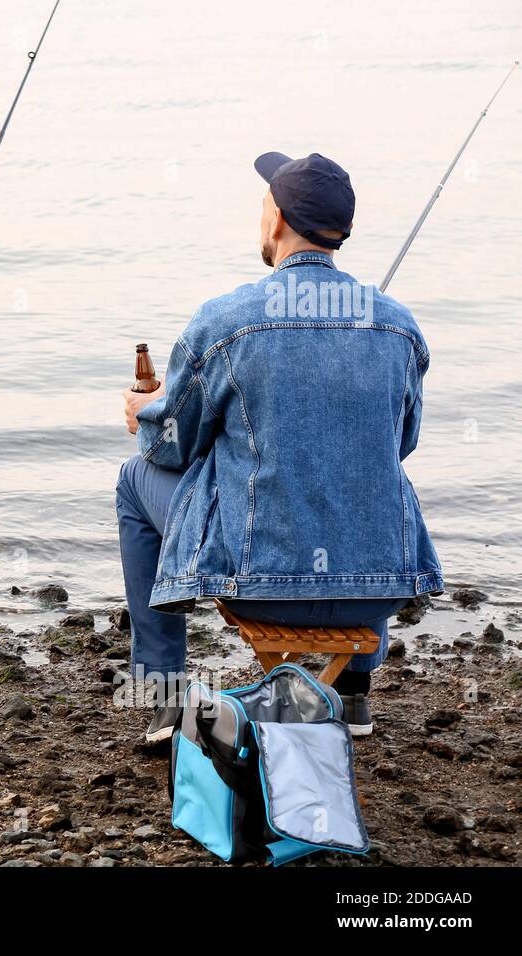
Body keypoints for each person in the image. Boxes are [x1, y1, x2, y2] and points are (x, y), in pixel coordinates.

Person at [116, 150, 442, 739]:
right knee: (368, 469)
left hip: (261, 587)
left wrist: (146, 413)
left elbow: (171, 447)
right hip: (373, 594)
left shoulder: (225, 320)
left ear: (276, 220)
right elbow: (401, 444)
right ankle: (354, 694)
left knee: (132, 481)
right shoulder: (399, 325)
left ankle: (161, 691)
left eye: (264, 203)